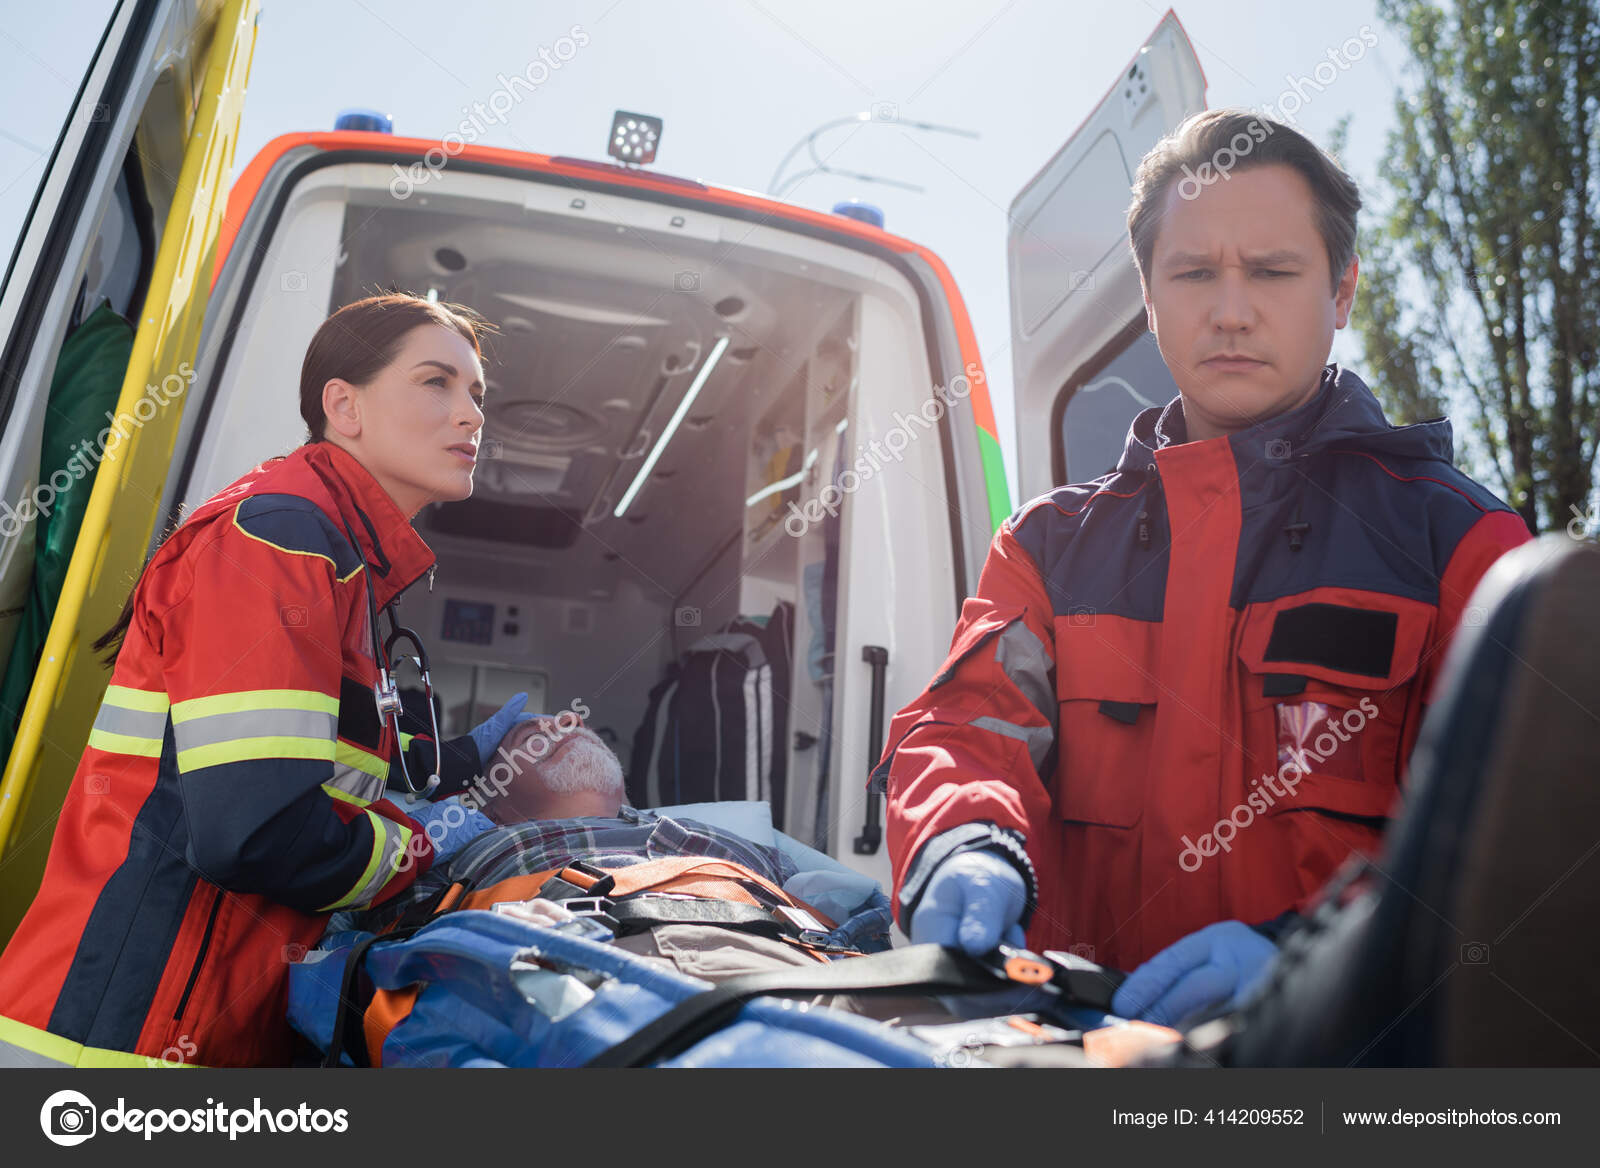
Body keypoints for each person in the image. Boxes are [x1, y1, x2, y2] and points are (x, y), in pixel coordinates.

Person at [880, 109, 1534, 1030]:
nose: (1231, 309)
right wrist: (964, 841)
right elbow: (967, 731)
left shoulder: (1461, 547)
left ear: (1341, 292)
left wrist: (1313, 960)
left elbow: (1522, 847)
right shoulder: (1044, 549)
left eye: (1272, 271)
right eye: (1192, 273)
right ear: (1148, 295)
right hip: (1071, 1059)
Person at [0, 293, 534, 1068]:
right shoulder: (279, 540)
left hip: (196, 1025)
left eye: (477, 395)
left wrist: (470, 757)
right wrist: (418, 853)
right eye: (436, 383)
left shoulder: (334, 556)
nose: (471, 416)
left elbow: (322, 759)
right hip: (117, 1035)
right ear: (343, 406)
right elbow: (253, 834)